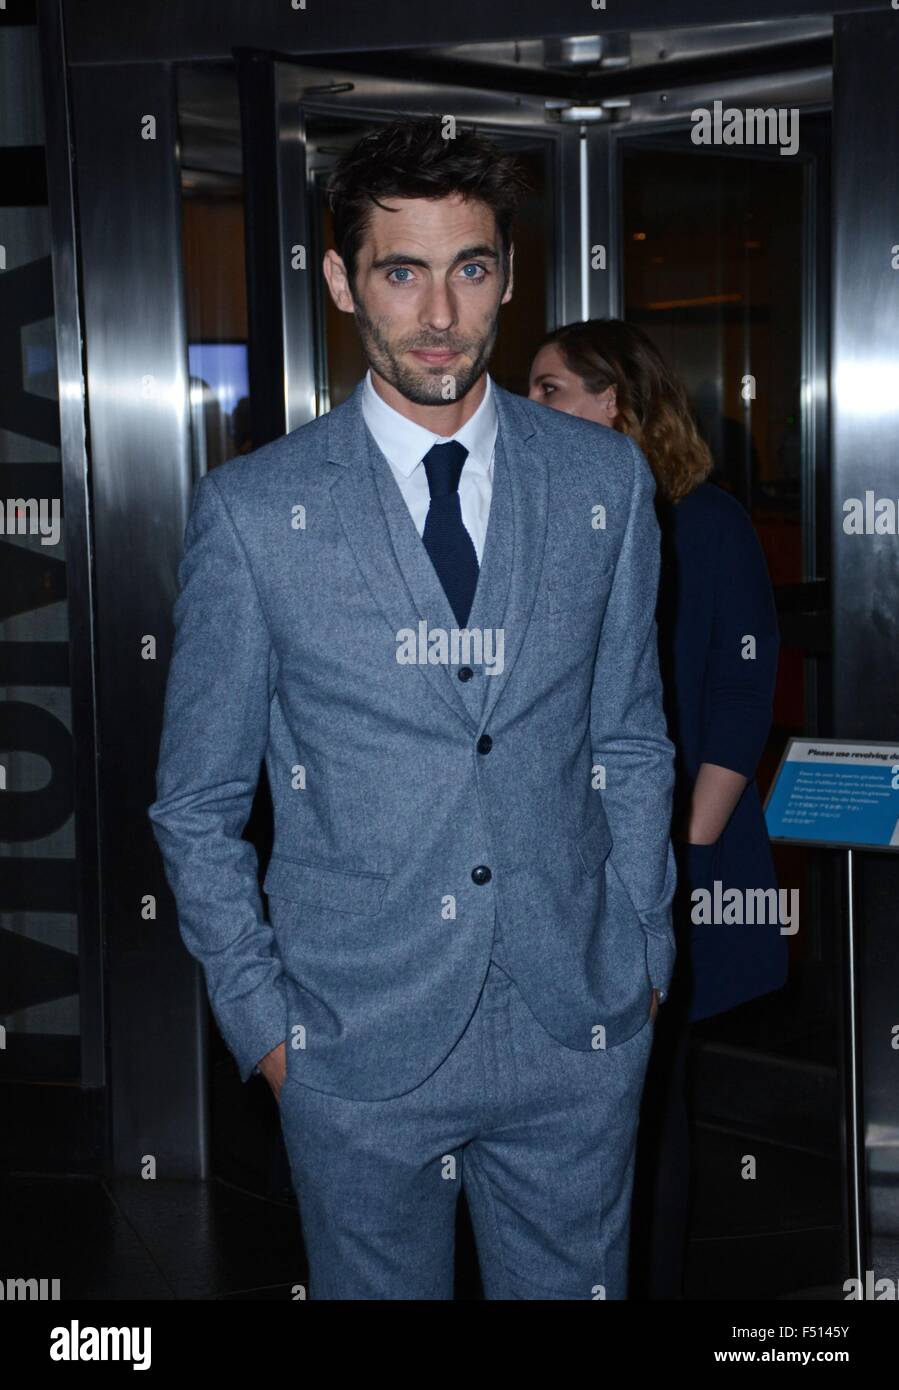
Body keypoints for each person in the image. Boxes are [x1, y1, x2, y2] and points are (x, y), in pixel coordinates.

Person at [149, 120, 677, 1301]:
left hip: (575, 1027)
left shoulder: (603, 482)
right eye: (401, 271)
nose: (440, 313)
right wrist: (272, 1033)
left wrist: (645, 948)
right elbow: (194, 802)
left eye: (470, 268)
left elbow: (629, 735)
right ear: (341, 280)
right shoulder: (251, 512)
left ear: (505, 274)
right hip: (351, 1040)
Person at [528, 319, 788, 1298]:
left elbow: (738, 690)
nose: (532, 406)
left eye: (553, 389)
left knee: (650, 1095)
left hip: (668, 851)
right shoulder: (543, 518)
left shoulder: (702, 519)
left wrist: (678, 842)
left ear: (616, 403)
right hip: (565, 848)